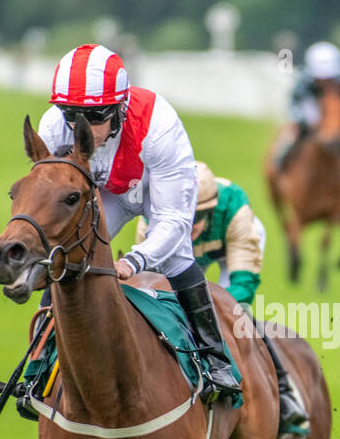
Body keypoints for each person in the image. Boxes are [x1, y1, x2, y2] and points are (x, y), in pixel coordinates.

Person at [34, 43, 238, 402]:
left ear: (120, 107)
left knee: (176, 258)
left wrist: (133, 261)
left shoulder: (158, 126)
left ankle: (214, 357)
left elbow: (173, 221)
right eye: (71, 113)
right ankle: (40, 362)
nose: (83, 127)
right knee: (64, 254)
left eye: (96, 117)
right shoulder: (53, 127)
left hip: (154, 188)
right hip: (108, 192)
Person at [136, 161, 308, 431]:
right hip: (180, 253)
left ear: (212, 210)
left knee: (234, 313)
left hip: (231, 246)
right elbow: (152, 288)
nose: (191, 229)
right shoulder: (152, 219)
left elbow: (243, 284)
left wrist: (206, 307)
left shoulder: (234, 209)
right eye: (186, 217)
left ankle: (285, 393)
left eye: (199, 218)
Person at [274, 40, 340, 172]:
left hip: (334, 125)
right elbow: (293, 106)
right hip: (306, 122)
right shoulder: (303, 81)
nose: (325, 81)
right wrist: (305, 122)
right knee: (289, 139)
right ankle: (278, 164)